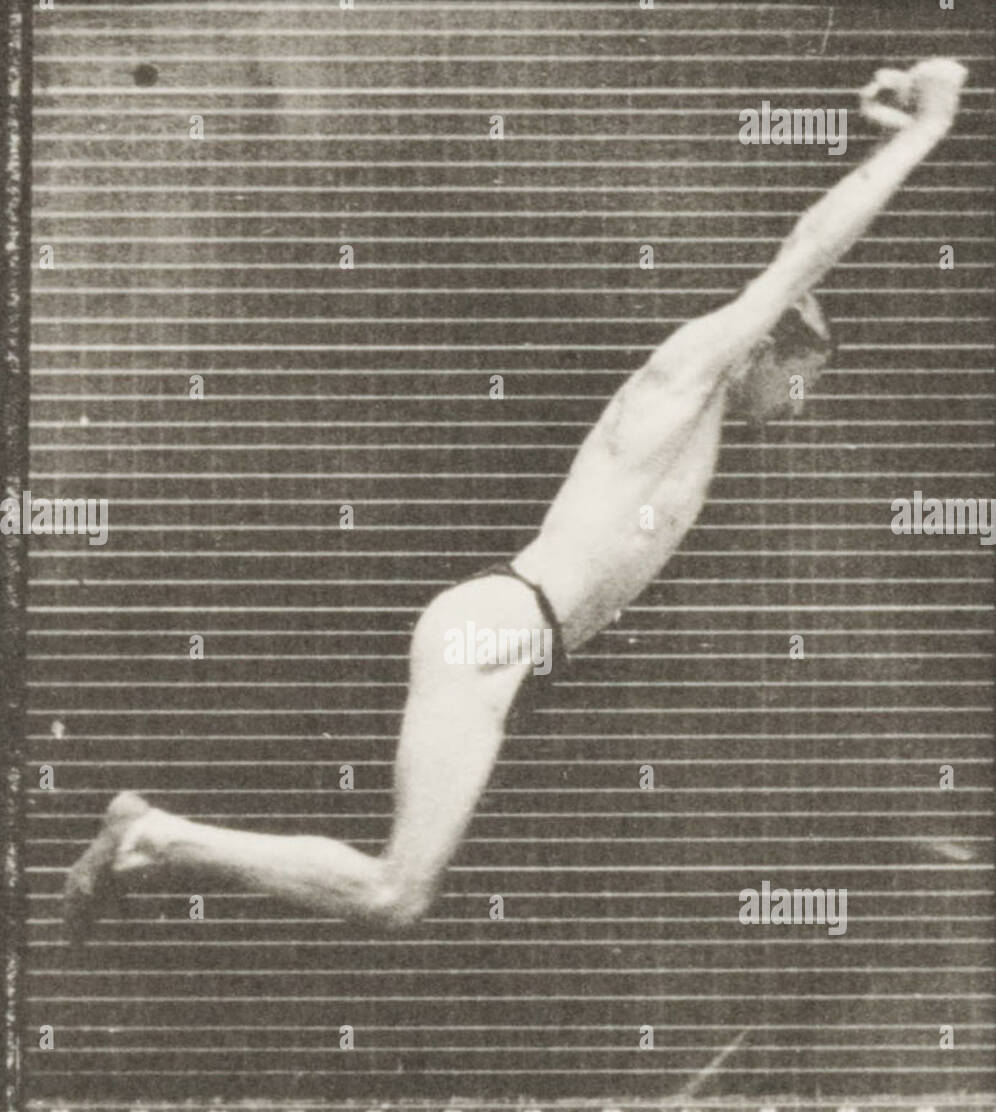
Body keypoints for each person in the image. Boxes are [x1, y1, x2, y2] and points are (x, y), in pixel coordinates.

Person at [64, 58, 967, 936]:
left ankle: (154, 843)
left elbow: (805, 259)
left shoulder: (704, 422)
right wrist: (922, 133)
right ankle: (155, 835)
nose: (803, 404)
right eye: (809, 377)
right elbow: (809, 249)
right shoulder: (684, 377)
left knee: (402, 892)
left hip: (511, 639)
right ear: (773, 344)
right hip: (493, 630)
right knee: (394, 892)